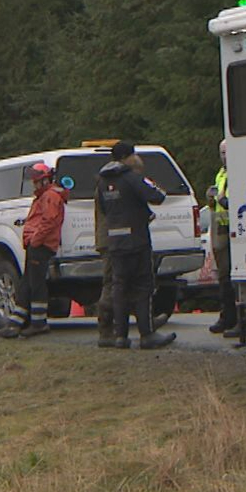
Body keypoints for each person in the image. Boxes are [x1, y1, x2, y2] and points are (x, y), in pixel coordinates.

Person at [97, 141, 175, 349]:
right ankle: (147, 334)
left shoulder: (103, 182)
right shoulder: (132, 177)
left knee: (119, 288)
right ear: (127, 157)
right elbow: (158, 195)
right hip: (136, 241)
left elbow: (104, 208)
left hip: (115, 242)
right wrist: (143, 177)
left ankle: (121, 336)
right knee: (142, 286)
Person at [0, 162, 65, 338]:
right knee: (27, 283)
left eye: (36, 180)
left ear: (44, 180)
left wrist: (35, 240)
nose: (34, 184)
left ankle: (38, 323)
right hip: (37, 244)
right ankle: (16, 322)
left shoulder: (49, 196)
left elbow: (48, 221)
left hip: (41, 245)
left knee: (36, 284)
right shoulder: (45, 196)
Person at [207, 140, 240, 335]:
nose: (224, 156)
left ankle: (236, 317)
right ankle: (227, 316)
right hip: (222, 228)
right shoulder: (221, 173)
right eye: (222, 152)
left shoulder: (238, 171)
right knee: (223, 276)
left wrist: (224, 201)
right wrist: (213, 200)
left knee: (232, 277)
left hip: (234, 229)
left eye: (227, 152)